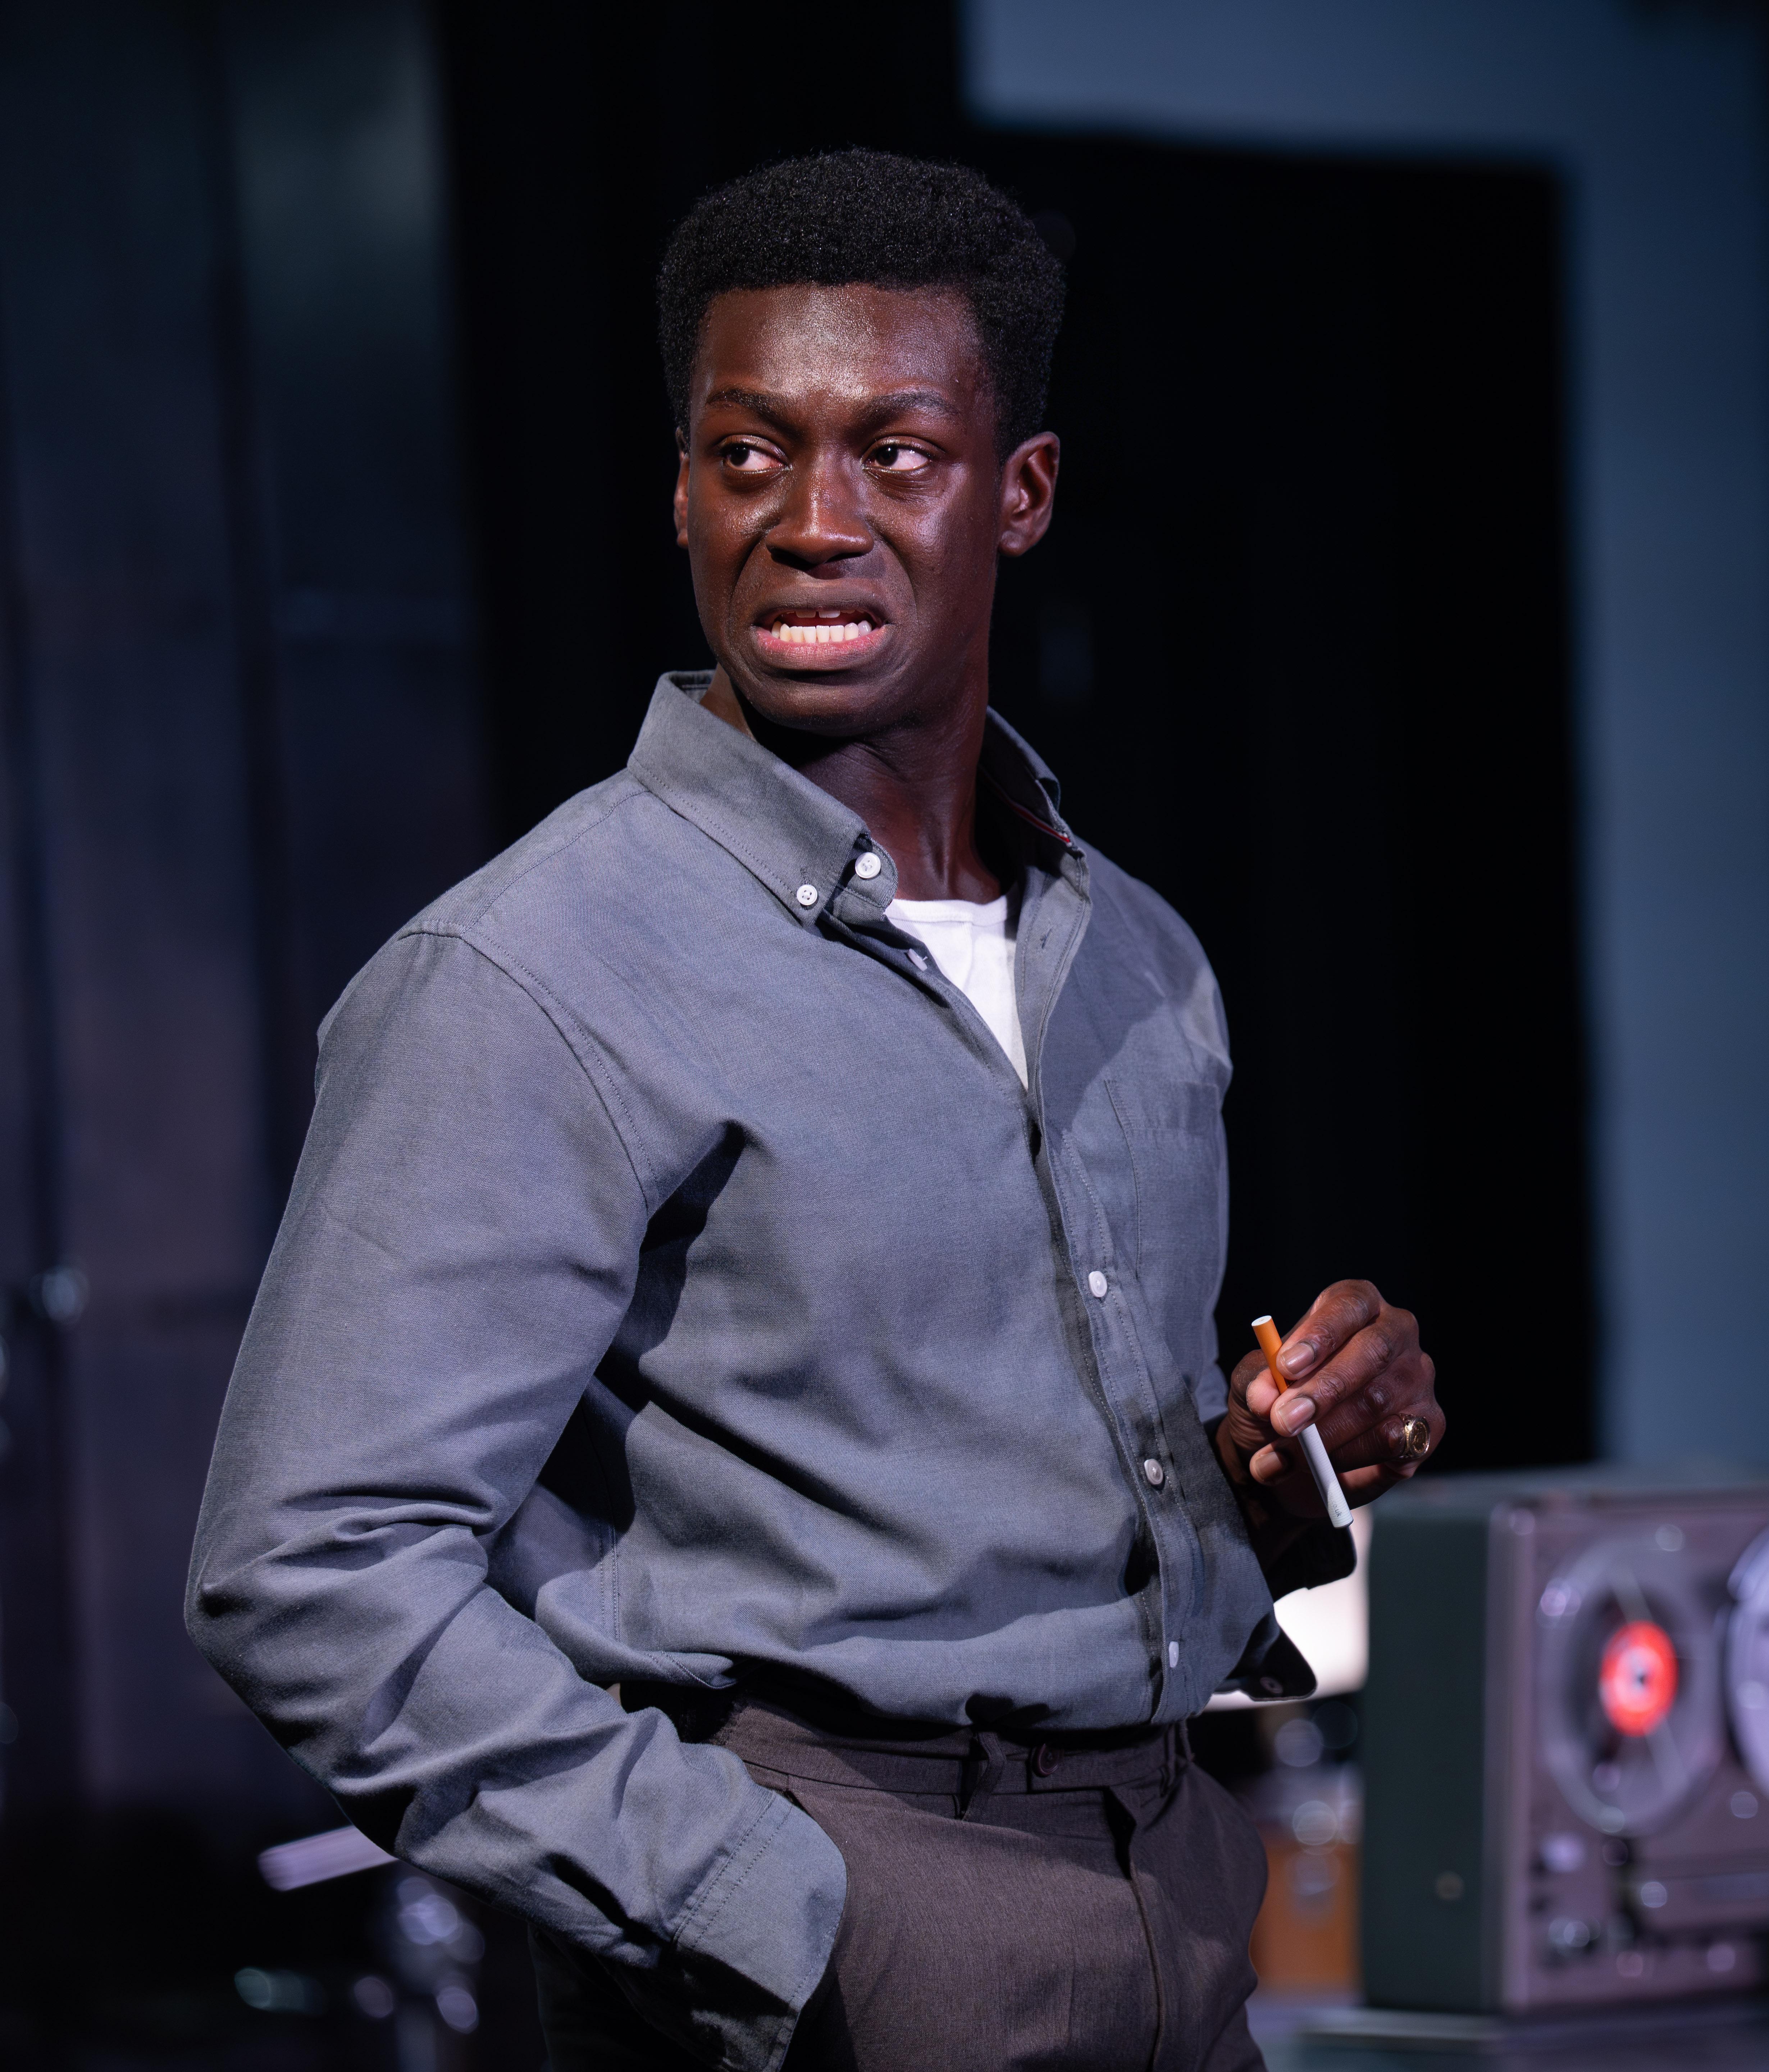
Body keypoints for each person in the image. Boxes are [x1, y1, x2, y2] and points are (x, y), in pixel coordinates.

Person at [186, 151, 1444, 2072]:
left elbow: (974, 1492)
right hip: (826, 1925)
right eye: (749, 454)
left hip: (1179, 1889)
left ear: (1020, 494)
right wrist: (749, 1906)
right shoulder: (539, 971)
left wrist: (1261, 1488)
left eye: (897, 453)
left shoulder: (1143, 965)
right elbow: (310, 1571)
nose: (812, 521)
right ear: (681, 489)